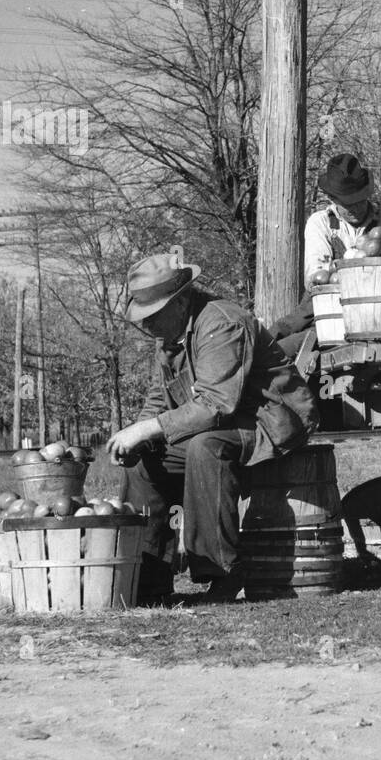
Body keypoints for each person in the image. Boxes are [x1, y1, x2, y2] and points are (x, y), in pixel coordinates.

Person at [106, 252, 320, 602]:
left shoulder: (221, 323)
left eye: (153, 317)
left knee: (204, 447)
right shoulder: (170, 335)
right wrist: (139, 435)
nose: (147, 326)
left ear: (179, 302)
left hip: (271, 423)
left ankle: (221, 571)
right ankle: (149, 577)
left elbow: (216, 405)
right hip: (224, 423)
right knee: (144, 464)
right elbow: (160, 399)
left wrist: (147, 430)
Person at [303, 152, 381, 283]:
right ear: (332, 199)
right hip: (333, 301)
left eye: (360, 200)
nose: (355, 208)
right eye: (347, 204)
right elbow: (316, 275)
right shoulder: (320, 223)